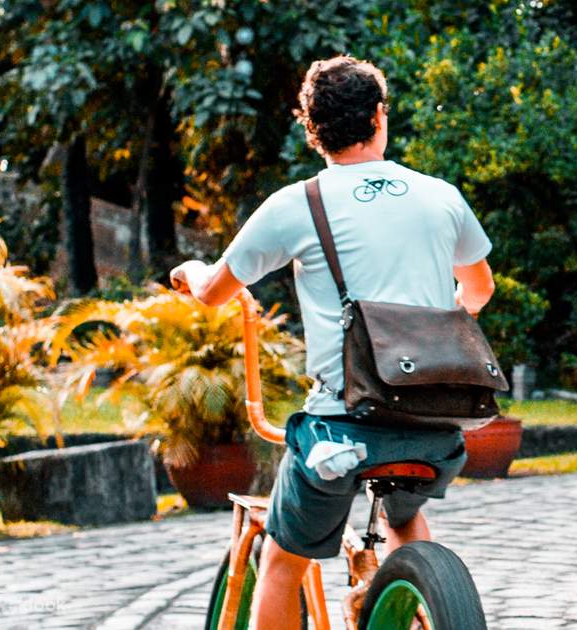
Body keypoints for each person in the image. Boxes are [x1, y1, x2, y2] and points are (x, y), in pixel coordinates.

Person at [170, 55, 495, 630]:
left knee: (282, 562)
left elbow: (215, 291)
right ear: (379, 116)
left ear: (312, 129)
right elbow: (478, 290)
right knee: (403, 518)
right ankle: (416, 598)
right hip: (436, 428)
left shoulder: (296, 204)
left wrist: (191, 271)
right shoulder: (441, 196)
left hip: (339, 430)